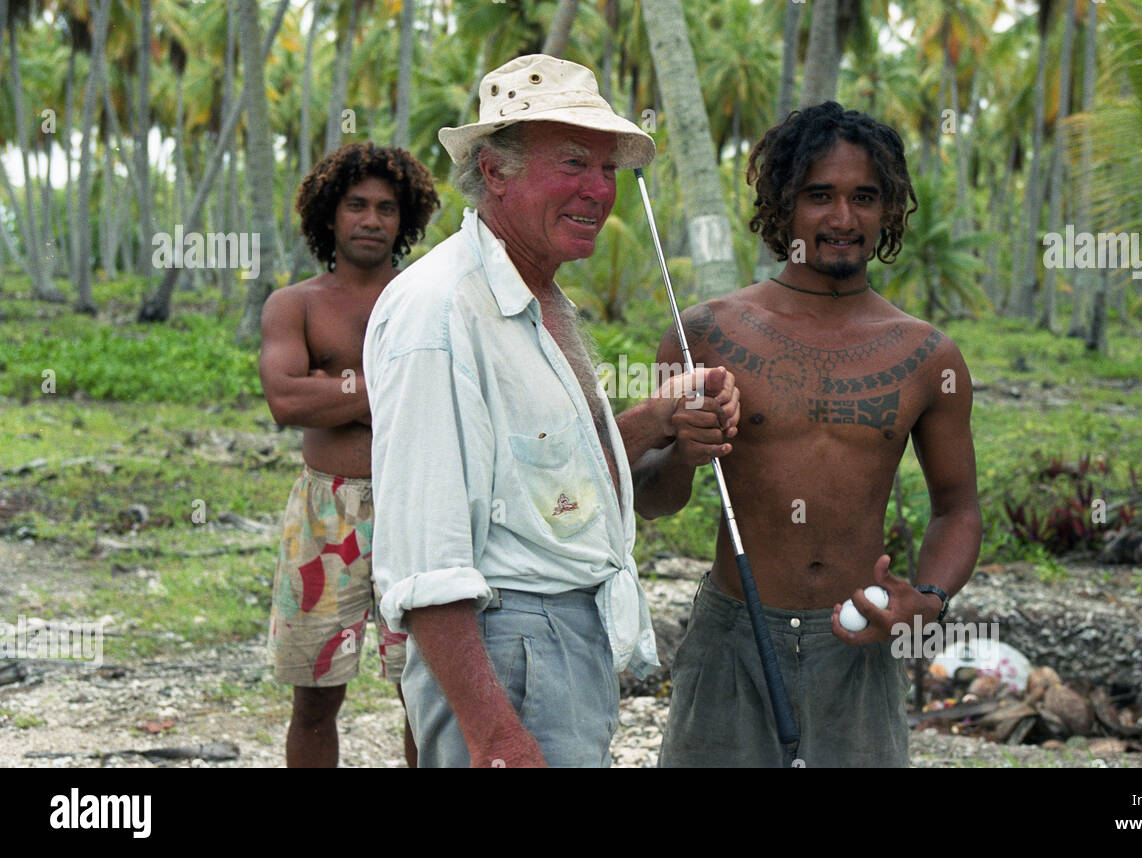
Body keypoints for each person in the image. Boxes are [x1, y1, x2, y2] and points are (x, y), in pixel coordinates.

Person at [363, 55, 740, 768]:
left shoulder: (540, 300)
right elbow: (426, 558)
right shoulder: (440, 313)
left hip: (559, 647)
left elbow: (547, 480)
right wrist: (496, 736)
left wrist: (660, 419)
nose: (598, 189)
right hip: (508, 651)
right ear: (494, 170)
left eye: (608, 168)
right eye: (572, 162)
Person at [638, 102, 983, 767]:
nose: (843, 218)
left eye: (864, 197)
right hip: (732, 636)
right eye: (819, 196)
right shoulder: (705, 334)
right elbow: (652, 500)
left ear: (889, 209)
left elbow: (958, 509)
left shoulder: (927, 355)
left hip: (857, 639)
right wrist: (682, 454)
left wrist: (930, 600)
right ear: (783, 206)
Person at [260, 142, 439, 767]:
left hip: (415, 504)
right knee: (314, 697)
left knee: (426, 693)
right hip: (325, 512)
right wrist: (390, 386)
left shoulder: (426, 299)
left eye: (386, 208)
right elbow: (286, 398)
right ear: (329, 215)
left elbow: (445, 398)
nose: (371, 220)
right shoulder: (296, 304)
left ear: (405, 218)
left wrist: (333, 390)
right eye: (356, 205)